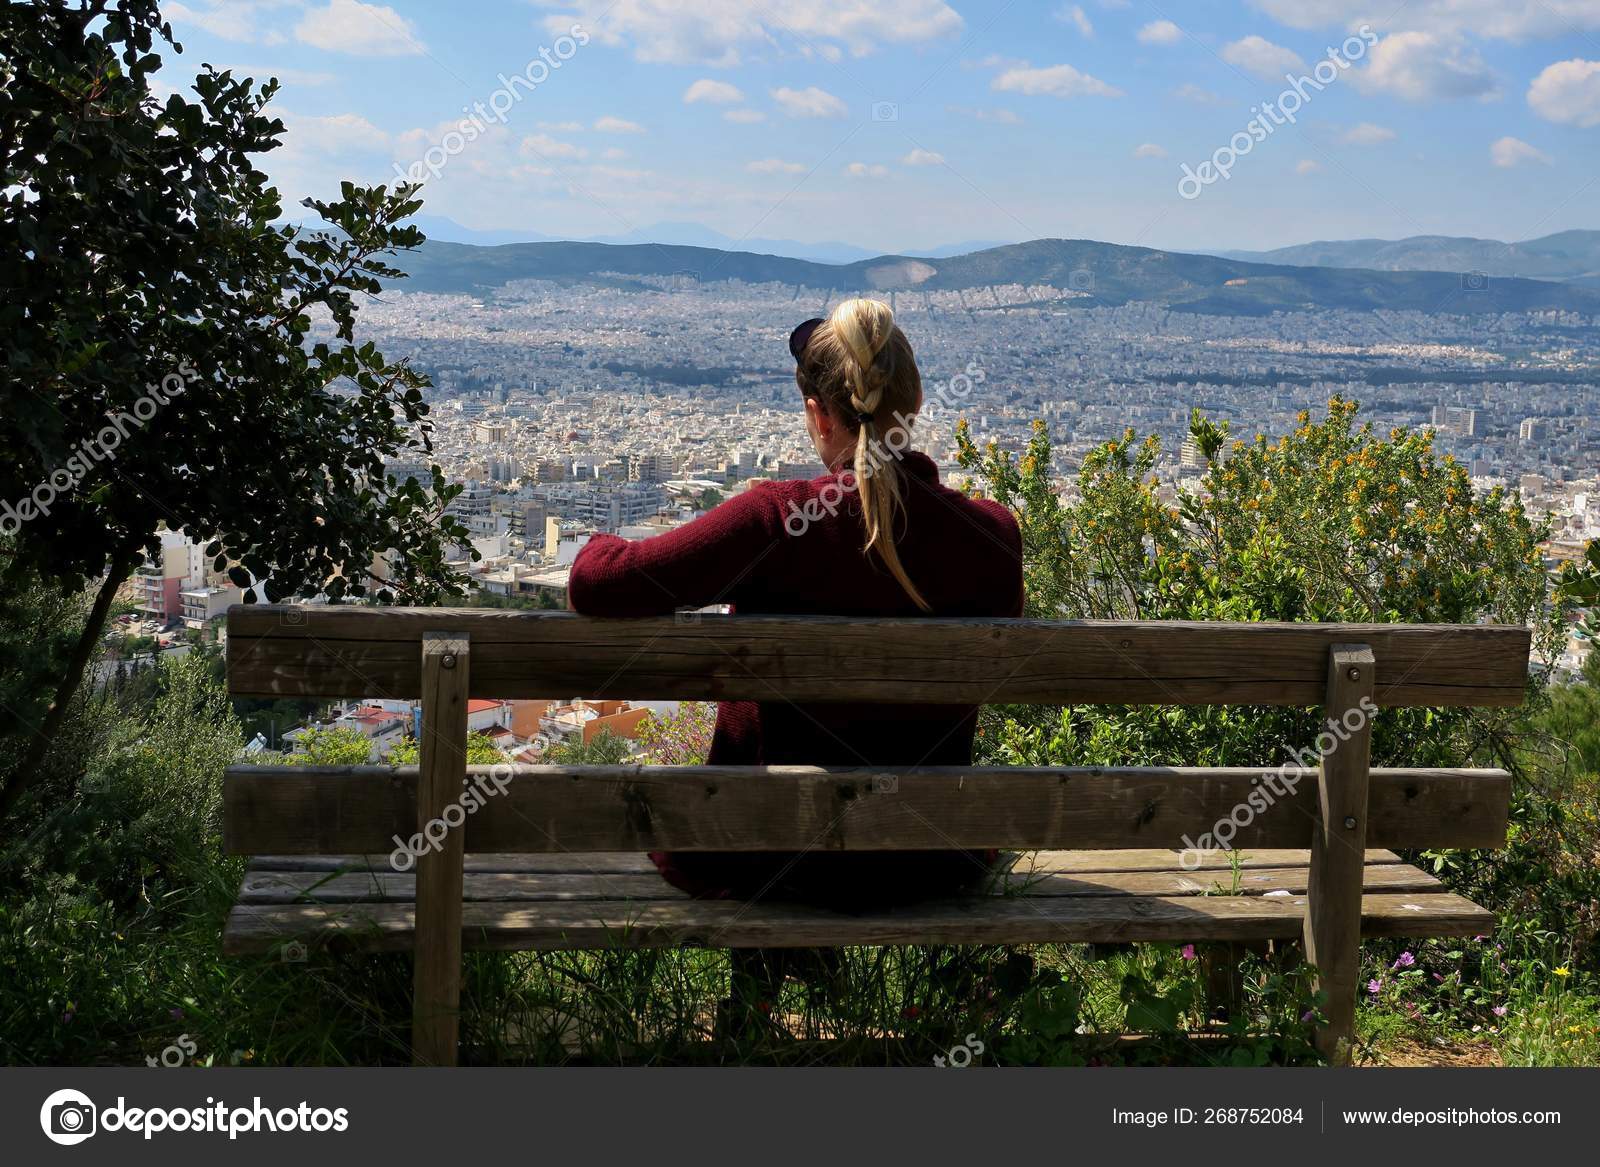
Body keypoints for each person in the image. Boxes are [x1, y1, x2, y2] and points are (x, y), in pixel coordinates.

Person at [568, 297, 1024, 908]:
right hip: (931, 858)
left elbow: (598, 583)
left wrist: (595, 533)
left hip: (765, 857)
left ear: (818, 415)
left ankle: (758, 1000)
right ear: (912, 408)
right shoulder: (992, 536)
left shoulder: (776, 523)